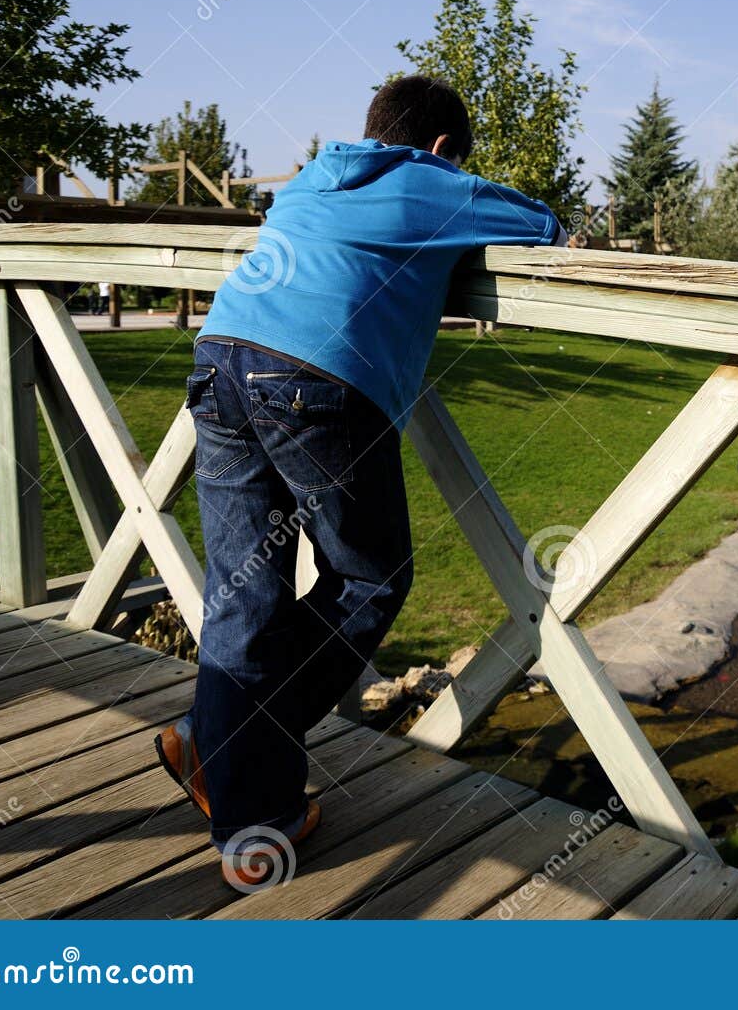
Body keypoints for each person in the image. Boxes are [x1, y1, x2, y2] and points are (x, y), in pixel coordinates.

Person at [154, 75, 565, 889]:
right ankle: (242, 783)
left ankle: (228, 765)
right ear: (443, 149)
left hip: (219, 359)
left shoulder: (312, 176)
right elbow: (541, 224)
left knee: (244, 594)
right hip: (312, 381)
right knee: (371, 577)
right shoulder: (428, 181)